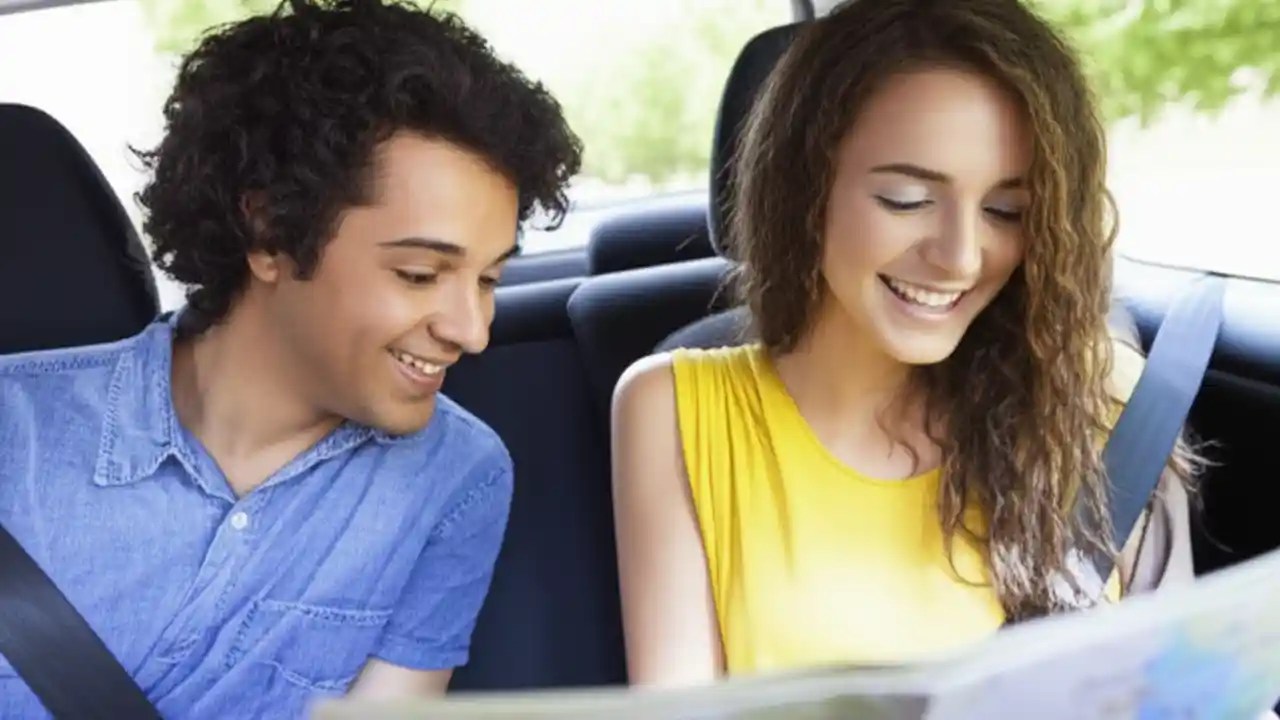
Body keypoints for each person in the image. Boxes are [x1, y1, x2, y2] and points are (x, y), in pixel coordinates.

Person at [0, 0, 580, 717]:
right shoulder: (14, 437)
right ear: (272, 234)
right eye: (420, 275)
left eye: (489, 279)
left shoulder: (458, 480)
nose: (473, 330)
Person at [610, 0, 1205, 688]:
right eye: (906, 199)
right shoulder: (676, 411)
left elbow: (1187, 694)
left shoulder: (1106, 401)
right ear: (806, 189)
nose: (960, 257)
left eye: (1006, 211)